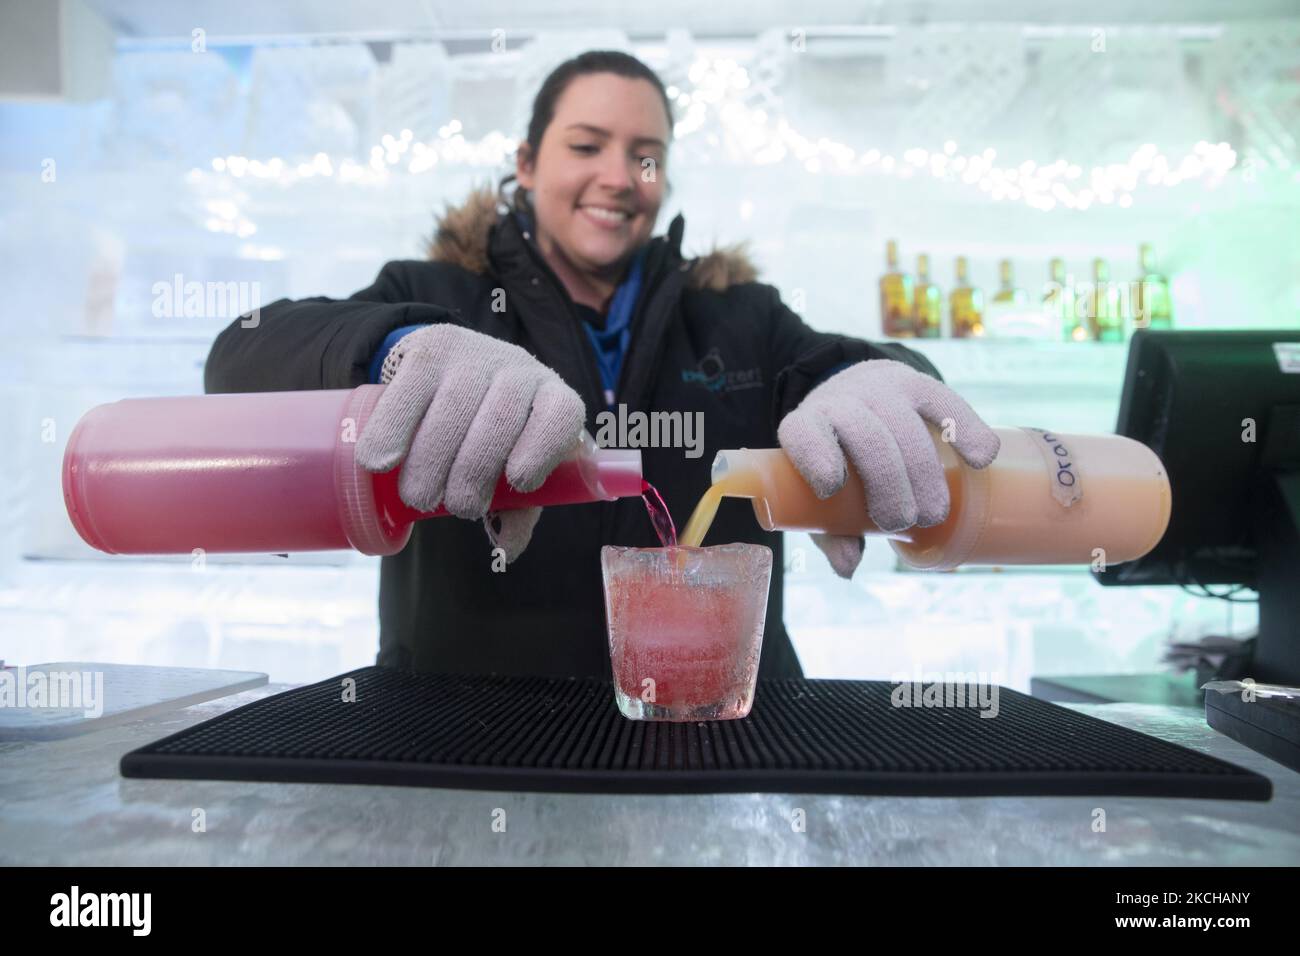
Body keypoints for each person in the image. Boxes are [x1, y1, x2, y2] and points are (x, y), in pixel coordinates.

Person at [204, 50, 999, 680]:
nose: (619, 178)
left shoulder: (739, 315)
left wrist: (867, 377)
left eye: (646, 157)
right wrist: (395, 352)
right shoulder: (433, 294)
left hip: (723, 741)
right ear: (525, 162)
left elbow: (832, 367)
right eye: (586, 146)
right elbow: (243, 355)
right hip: (464, 737)